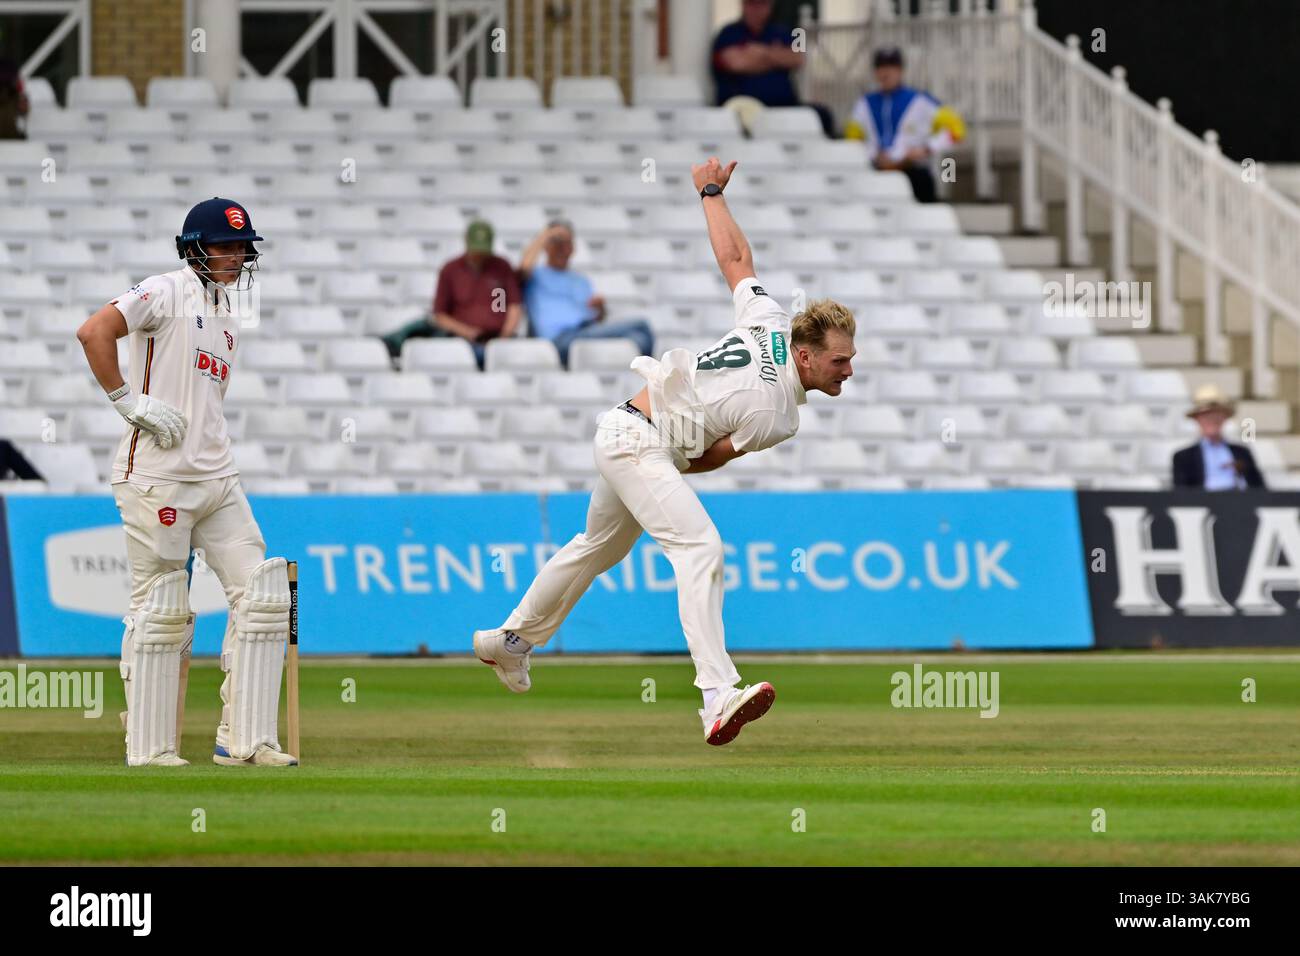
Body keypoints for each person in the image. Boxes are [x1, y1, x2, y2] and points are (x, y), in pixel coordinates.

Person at [473, 157, 858, 747]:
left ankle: (510, 642)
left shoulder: (770, 320)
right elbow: (710, 459)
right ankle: (716, 696)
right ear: (805, 357)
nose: (848, 372)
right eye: (839, 361)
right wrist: (666, 462)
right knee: (699, 546)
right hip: (640, 446)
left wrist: (710, 192)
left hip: (624, 428)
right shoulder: (778, 414)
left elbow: (735, 261)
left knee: (595, 547)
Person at [76, 197, 298, 768]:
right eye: (226, 246)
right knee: (161, 610)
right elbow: (94, 331)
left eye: (243, 247)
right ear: (193, 247)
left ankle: (244, 740)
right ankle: (150, 745)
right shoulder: (165, 289)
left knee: (263, 598)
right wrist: (129, 402)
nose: (237, 256)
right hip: (157, 477)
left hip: (218, 478)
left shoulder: (228, 316)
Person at [379, 220, 522, 368]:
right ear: (466, 242)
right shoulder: (451, 270)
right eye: (476, 249)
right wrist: (469, 333)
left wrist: (504, 337)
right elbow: (440, 314)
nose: (479, 254)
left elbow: (513, 306)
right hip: (461, 339)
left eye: (483, 250)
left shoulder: (502, 268)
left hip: (495, 339)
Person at [518, 220, 654, 366]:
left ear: (573, 249)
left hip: (584, 333)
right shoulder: (535, 276)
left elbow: (595, 319)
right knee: (641, 326)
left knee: (639, 338)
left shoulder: (580, 280)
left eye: (566, 244)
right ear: (546, 245)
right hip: (558, 340)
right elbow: (523, 268)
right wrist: (546, 235)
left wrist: (599, 309)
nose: (562, 249)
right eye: (557, 242)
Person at [844, 46, 966, 203]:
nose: (886, 73)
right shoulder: (864, 104)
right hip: (875, 171)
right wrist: (872, 154)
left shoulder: (920, 101)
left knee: (924, 183)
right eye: (881, 67)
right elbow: (852, 141)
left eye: (891, 67)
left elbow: (957, 130)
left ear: (900, 71)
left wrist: (926, 149)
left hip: (910, 171)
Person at [711, 0, 836, 138]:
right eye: (752, 4)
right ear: (743, 5)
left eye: (762, 4)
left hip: (783, 106)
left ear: (770, 6)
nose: (756, 10)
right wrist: (775, 58)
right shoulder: (729, 33)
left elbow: (798, 58)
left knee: (821, 115)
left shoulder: (781, 31)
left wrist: (762, 52)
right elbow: (735, 63)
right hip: (742, 108)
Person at [1172, 384, 1266, 490]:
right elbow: (1181, 495)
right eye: (1206, 415)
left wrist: (1240, 475)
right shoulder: (1184, 457)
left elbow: (1259, 488)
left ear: (1224, 418)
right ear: (1197, 419)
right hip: (1203, 503)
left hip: (1237, 503)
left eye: (1216, 415)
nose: (1212, 420)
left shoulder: (1242, 453)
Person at [0, 58, 30, 140]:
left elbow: (24, 112)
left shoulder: (16, 96)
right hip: (12, 137)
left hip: (12, 138)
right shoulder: (15, 95)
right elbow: (24, 113)